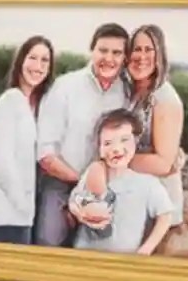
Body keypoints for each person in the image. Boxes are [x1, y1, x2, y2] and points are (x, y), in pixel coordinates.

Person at [34, 23, 130, 247]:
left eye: (117, 52)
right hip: (59, 183)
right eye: (103, 50)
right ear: (92, 50)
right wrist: (83, 186)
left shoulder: (126, 92)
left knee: (103, 251)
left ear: (125, 57)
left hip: (108, 188)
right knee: (48, 243)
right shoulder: (65, 87)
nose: (109, 58)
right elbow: (45, 154)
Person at [0, 36, 55, 244]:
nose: (38, 66)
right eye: (32, 57)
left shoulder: (31, 106)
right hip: (2, 217)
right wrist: (23, 206)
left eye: (45, 60)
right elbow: (2, 162)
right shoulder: (10, 102)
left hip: (17, 218)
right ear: (20, 62)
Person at [67, 108, 174, 255]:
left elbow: (165, 216)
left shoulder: (147, 183)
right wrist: (80, 213)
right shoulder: (92, 173)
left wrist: (146, 249)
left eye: (124, 140)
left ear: (136, 141)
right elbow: (74, 200)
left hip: (125, 257)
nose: (116, 149)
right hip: (85, 253)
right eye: (107, 143)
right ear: (99, 148)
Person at [125, 24, 186, 227]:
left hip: (158, 210)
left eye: (148, 49)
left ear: (160, 55)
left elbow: (163, 164)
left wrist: (113, 160)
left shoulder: (164, 98)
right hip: (136, 202)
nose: (141, 56)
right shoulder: (131, 92)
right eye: (136, 49)